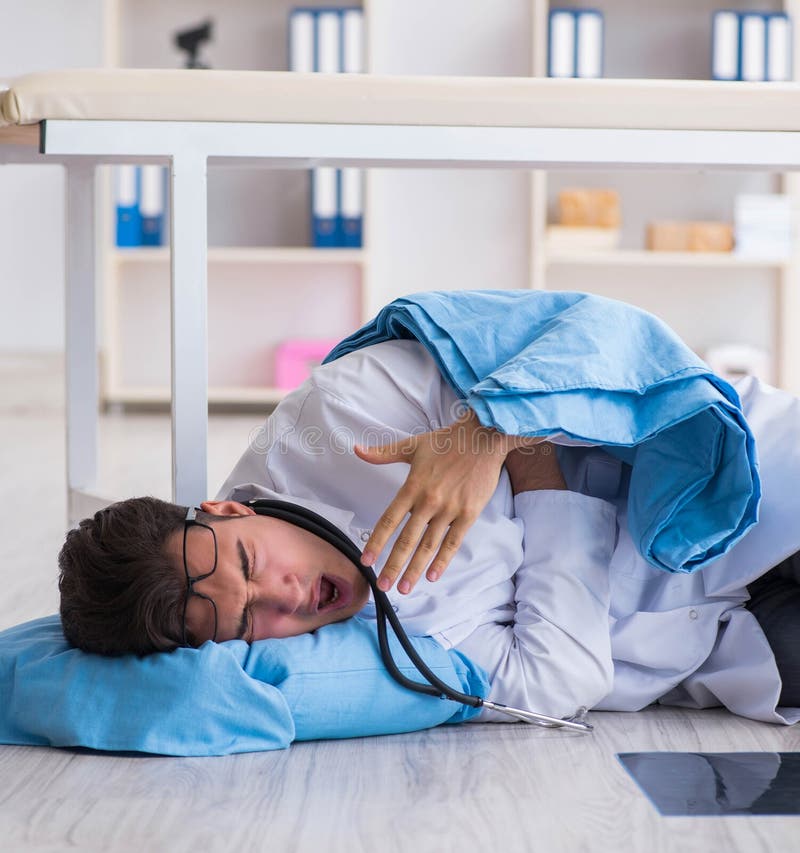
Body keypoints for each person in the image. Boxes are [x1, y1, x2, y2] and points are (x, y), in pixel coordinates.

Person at [58, 336, 800, 726]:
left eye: (251, 564)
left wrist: (486, 431)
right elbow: (557, 681)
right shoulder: (361, 654)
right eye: (248, 621)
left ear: (227, 510)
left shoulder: (341, 412)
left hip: (747, 484)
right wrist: (529, 458)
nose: (284, 597)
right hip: (735, 646)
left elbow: (580, 346)